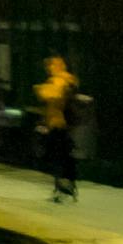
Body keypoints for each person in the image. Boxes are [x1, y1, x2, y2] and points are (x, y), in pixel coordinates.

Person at [34, 55, 86, 202]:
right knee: (62, 157)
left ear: (61, 65)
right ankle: (64, 188)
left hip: (59, 124)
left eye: (53, 64)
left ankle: (64, 189)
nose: (50, 67)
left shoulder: (60, 80)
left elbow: (52, 95)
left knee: (59, 157)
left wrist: (41, 89)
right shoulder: (66, 80)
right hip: (59, 123)